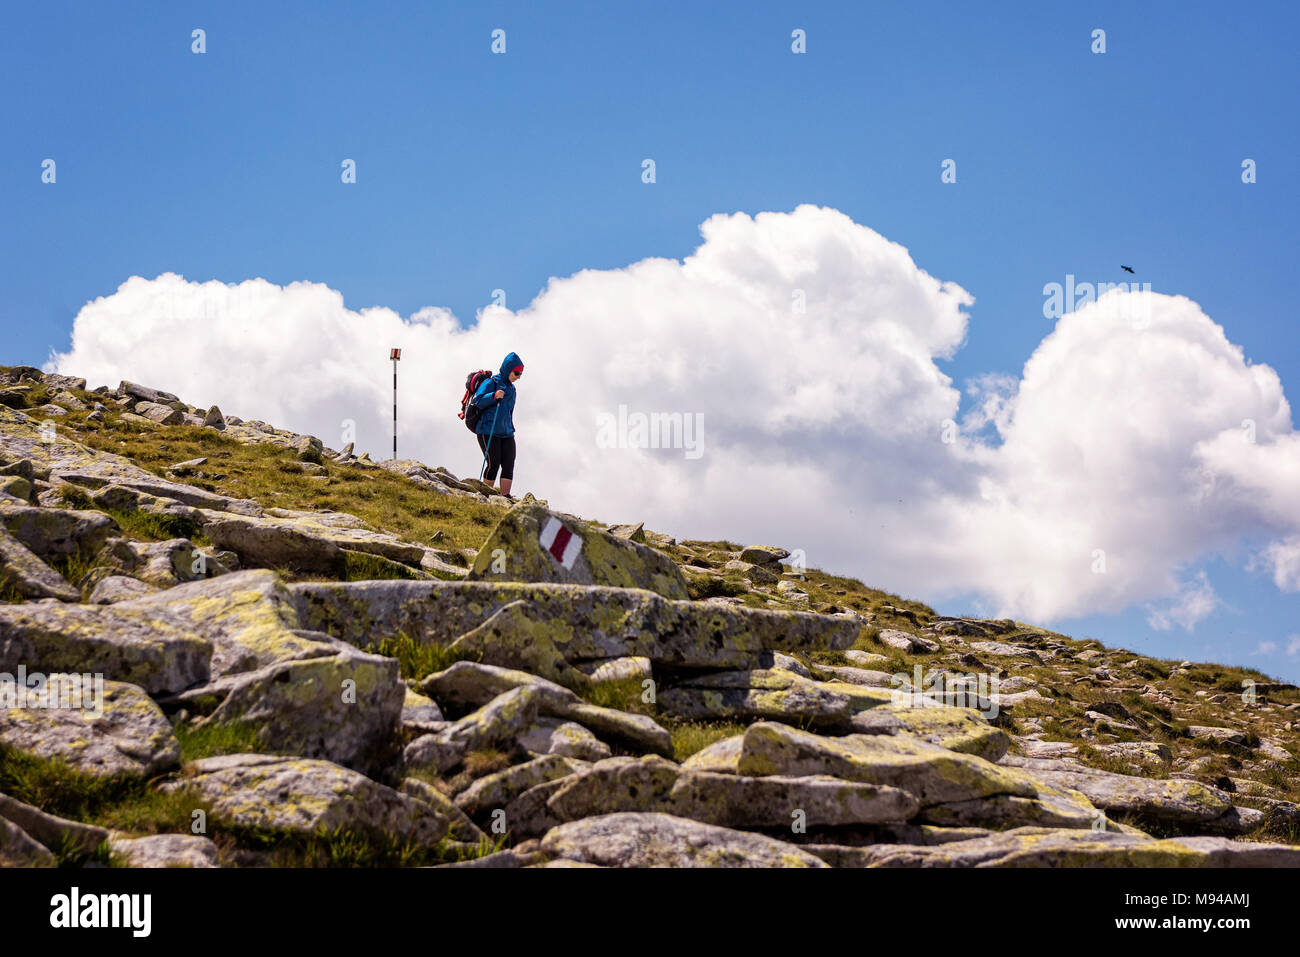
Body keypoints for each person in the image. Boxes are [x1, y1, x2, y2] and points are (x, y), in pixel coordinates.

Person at [472, 351, 523, 497]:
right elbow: (478, 401)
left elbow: (509, 412)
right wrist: (494, 396)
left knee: (508, 464)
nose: (518, 377)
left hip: (507, 432)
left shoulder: (512, 390)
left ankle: (504, 498)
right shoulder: (491, 382)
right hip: (488, 430)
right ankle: (486, 496)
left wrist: (510, 427)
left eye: (520, 374)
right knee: (493, 463)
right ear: (508, 369)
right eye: (516, 373)